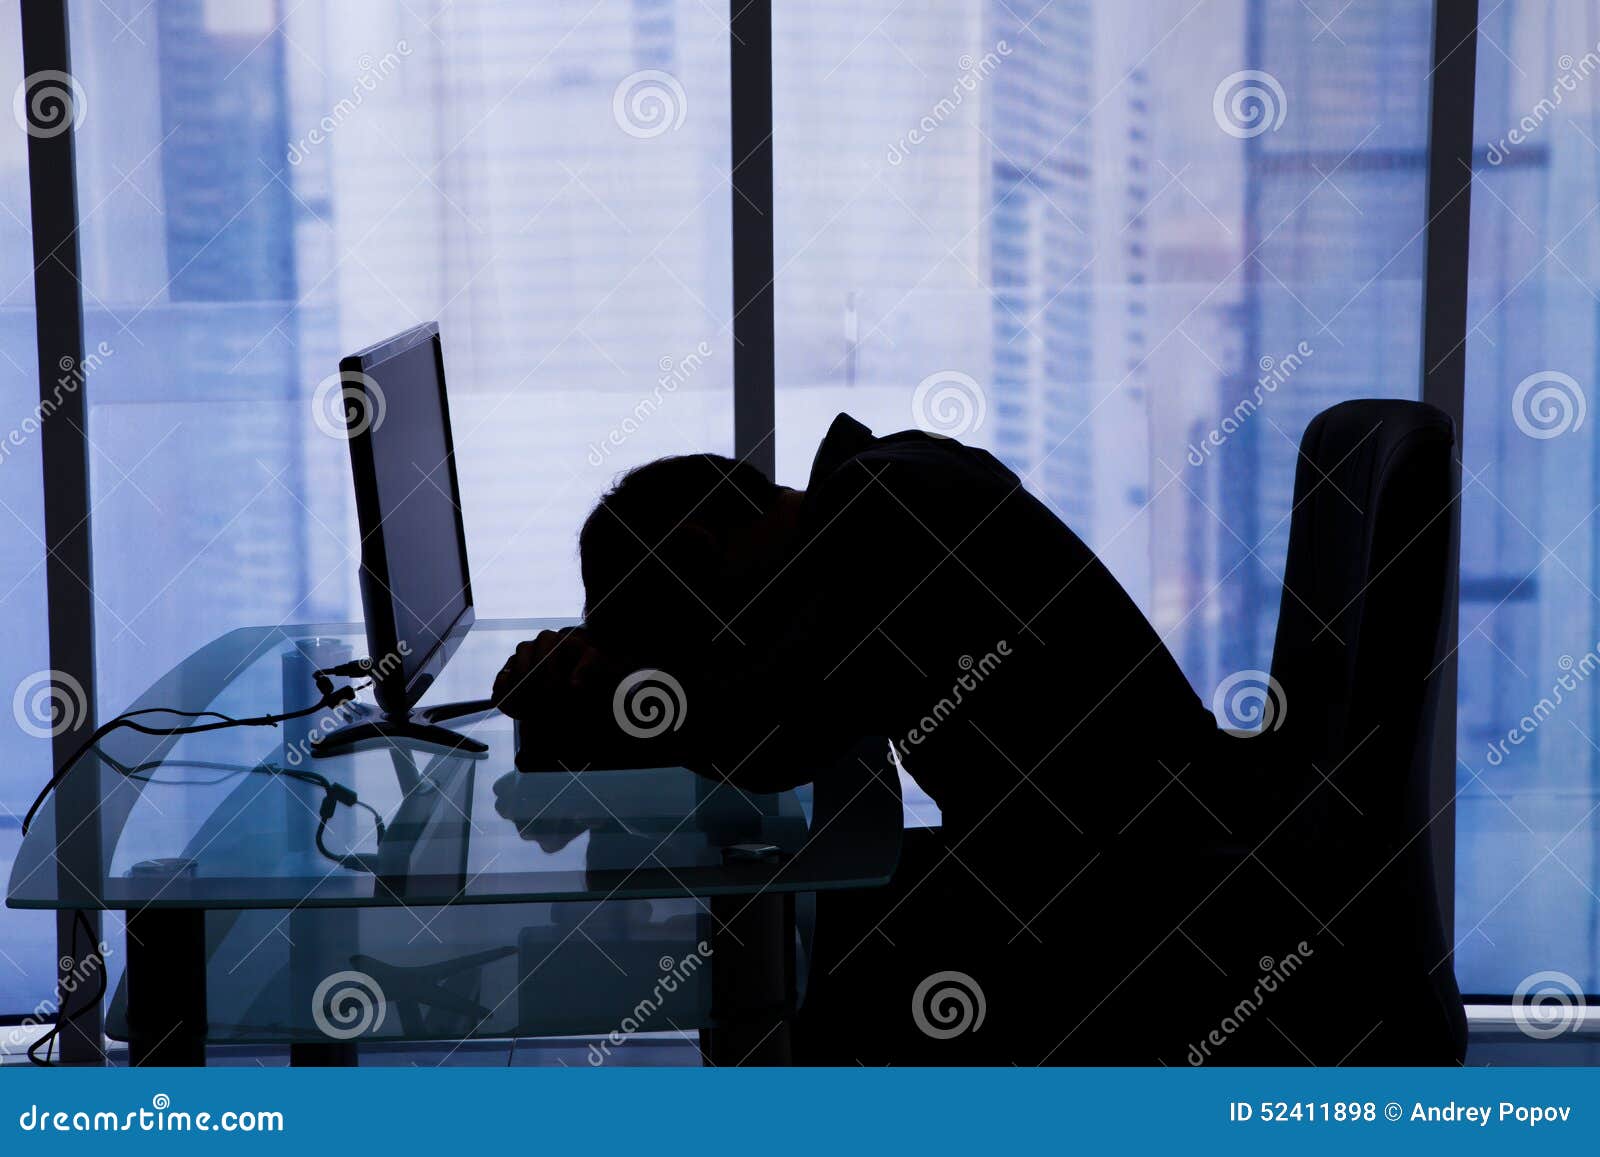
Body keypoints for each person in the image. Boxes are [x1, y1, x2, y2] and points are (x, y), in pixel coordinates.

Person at [493, 413, 1242, 1063]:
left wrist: (591, 697)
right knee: (829, 928)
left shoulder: (880, 518)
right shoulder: (891, 473)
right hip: (1129, 829)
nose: (723, 649)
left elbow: (765, 735)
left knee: (833, 967)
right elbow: (773, 704)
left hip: (1131, 873)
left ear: (701, 553)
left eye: (700, 635)